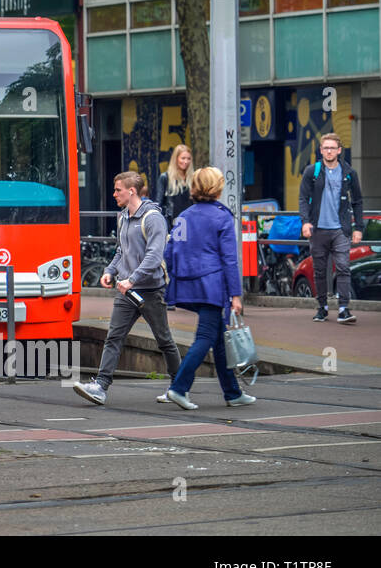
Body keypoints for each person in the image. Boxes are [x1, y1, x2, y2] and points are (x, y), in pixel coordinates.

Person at [73, 171, 181, 407]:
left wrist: (132, 279)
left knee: (164, 340)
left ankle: (179, 387)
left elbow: (154, 256)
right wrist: (110, 271)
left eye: (118, 190)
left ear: (131, 191)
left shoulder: (153, 218)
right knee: (114, 336)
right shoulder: (123, 217)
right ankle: (100, 386)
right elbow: (121, 251)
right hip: (126, 291)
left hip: (149, 290)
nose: (114, 194)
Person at [163, 166, 255, 409]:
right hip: (212, 286)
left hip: (187, 284)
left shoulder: (183, 216)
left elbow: (170, 252)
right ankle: (179, 387)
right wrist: (236, 294)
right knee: (205, 337)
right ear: (217, 187)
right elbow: (229, 259)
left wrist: (177, 276)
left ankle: (233, 393)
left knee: (219, 339)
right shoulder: (222, 216)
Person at [298, 133, 365, 324]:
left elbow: (358, 201)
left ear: (339, 150)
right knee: (319, 270)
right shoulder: (313, 171)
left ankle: (344, 309)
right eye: (325, 148)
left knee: (343, 267)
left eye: (332, 148)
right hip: (318, 229)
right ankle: (322, 308)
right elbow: (303, 198)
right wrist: (305, 221)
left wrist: (358, 227)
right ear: (321, 150)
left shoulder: (349, 173)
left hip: (340, 230)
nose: (329, 151)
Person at [154, 144, 195, 229]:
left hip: (190, 222)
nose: (186, 161)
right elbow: (159, 204)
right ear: (176, 159)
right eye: (183, 158)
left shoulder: (193, 178)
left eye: (188, 159)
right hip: (173, 224)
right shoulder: (165, 178)